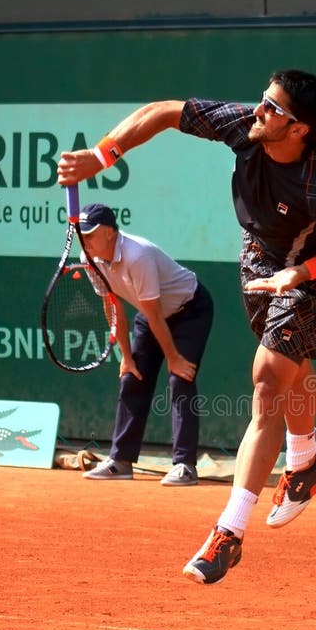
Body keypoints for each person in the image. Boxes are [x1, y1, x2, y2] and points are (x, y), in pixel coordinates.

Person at [58, 69, 316, 584]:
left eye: (273, 109)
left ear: (300, 129)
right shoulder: (246, 127)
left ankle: (228, 534)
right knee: (293, 371)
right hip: (257, 259)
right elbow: (166, 112)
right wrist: (101, 155)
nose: (259, 110)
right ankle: (306, 461)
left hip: (310, 272)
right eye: (263, 100)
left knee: (266, 379)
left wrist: (305, 272)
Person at [76, 203, 214, 486]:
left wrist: (174, 358)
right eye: (82, 234)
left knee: (180, 378)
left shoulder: (137, 255)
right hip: (151, 315)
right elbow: (112, 305)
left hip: (190, 310)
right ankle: (120, 461)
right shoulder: (88, 257)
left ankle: (185, 465)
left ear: (111, 233)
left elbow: (154, 313)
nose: (84, 240)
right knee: (132, 376)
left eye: (90, 233)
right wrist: (126, 357)